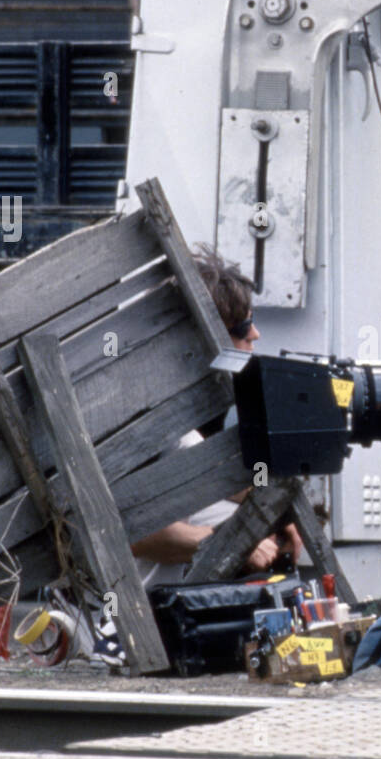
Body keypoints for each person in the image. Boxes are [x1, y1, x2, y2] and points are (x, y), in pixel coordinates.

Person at [130, 246, 298, 587]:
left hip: (155, 542)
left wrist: (274, 507)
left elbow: (208, 475)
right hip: (118, 601)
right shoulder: (147, 411)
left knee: (253, 523)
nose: (255, 334)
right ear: (201, 334)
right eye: (243, 327)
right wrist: (232, 542)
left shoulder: (195, 396)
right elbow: (136, 533)